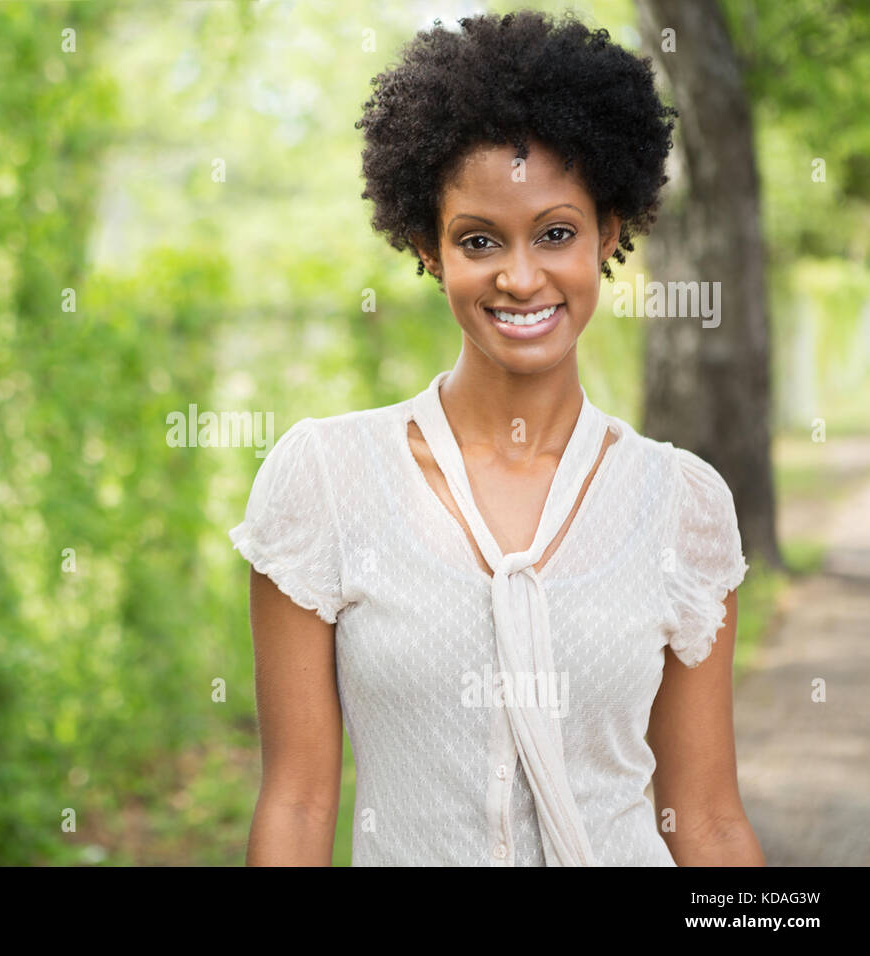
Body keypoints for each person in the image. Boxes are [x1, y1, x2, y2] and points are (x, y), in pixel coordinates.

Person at [230, 10, 765, 866]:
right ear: (428, 248)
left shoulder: (682, 504)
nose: (521, 278)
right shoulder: (325, 479)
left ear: (610, 233)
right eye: (480, 240)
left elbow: (705, 819)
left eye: (556, 233)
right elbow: (296, 805)